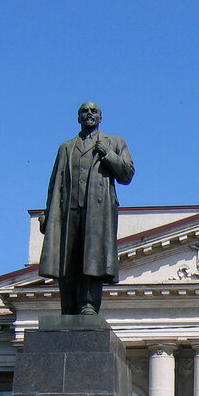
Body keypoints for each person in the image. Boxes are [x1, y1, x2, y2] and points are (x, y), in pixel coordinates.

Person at [39, 101, 135, 316]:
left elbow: (127, 175)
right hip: (67, 212)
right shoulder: (66, 147)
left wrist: (108, 155)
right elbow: (55, 182)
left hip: (97, 214)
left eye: (94, 111)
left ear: (101, 118)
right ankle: (68, 308)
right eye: (84, 111)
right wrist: (47, 212)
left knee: (92, 258)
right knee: (67, 259)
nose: (89, 114)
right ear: (78, 117)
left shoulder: (114, 142)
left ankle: (89, 305)